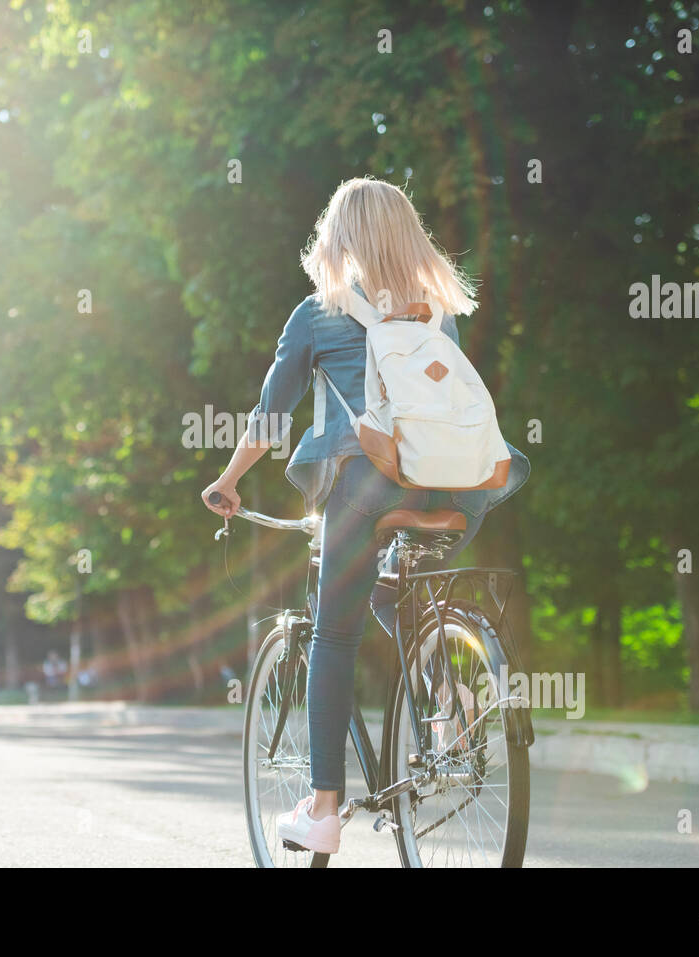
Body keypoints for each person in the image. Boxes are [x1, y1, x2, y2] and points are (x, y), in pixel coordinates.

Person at [201, 177, 529, 855]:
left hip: (368, 483)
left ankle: (323, 809)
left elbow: (269, 418)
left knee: (334, 635)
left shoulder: (317, 314)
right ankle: (448, 687)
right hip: (458, 487)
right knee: (394, 591)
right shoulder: (439, 311)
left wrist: (228, 480)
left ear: (337, 237)